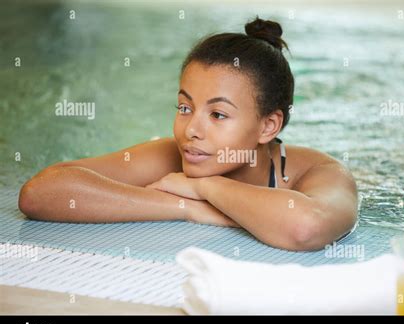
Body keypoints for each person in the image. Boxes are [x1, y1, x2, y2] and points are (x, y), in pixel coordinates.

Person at [18, 17, 358, 251]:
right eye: (184, 108)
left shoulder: (318, 173)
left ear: (268, 126)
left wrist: (202, 187)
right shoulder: (174, 155)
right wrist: (186, 206)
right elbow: (41, 192)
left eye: (218, 114)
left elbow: (306, 227)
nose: (191, 130)